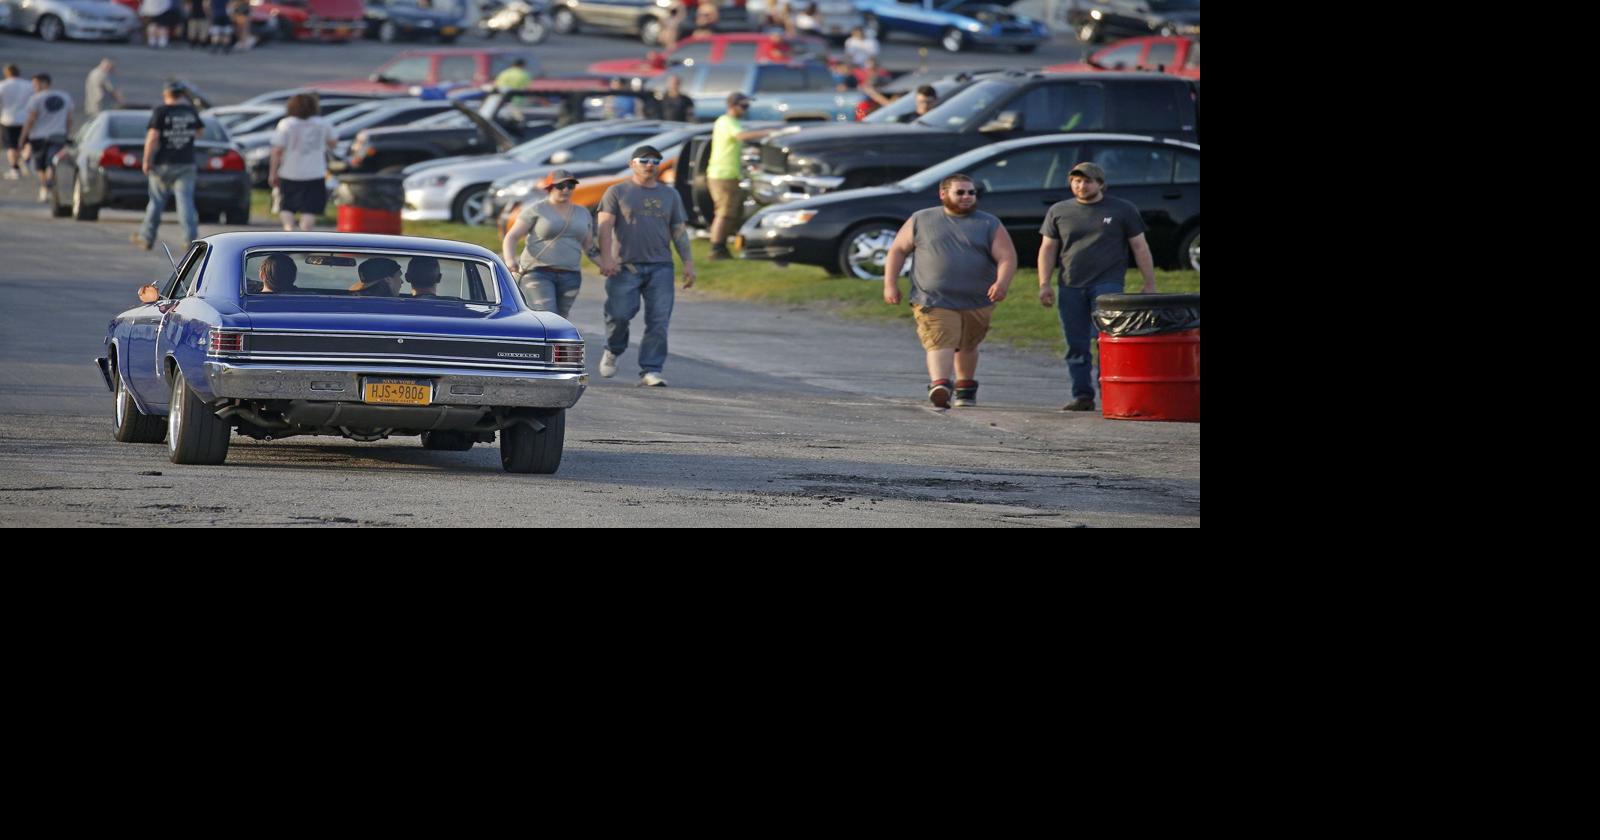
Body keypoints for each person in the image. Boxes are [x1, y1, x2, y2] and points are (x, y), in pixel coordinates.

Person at [882, 173, 1016, 409]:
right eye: (960, 192)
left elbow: (1006, 256)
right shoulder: (921, 219)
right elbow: (897, 251)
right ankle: (940, 385)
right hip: (933, 298)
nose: (966, 197)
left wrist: (1001, 282)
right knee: (940, 340)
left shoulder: (988, 223)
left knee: (968, 344)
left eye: (971, 193)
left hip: (978, 299)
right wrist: (890, 284)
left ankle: (965, 388)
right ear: (943, 194)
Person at [1037, 162, 1157, 412]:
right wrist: (1044, 284)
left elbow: (1139, 246)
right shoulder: (1059, 211)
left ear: (1100, 184)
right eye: (1076, 181)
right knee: (1076, 342)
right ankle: (1082, 395)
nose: (1081, 186)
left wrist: (1149, 283)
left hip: (1108, 282)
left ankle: (1111, 392)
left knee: (1106, 338)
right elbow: (1048, 249)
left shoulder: (1122, 209)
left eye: (1087, 181)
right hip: (1070, 284)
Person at [595, 145, 697, 387]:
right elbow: (605, 227)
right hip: (624, 266)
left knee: (659, 320)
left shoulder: (670, 195)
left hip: (661, 266)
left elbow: (679, 232)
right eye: (644, 160)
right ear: (632, 164)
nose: (650, 165)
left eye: (655, 161)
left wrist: (688, 264)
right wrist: (606, 258)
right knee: (619, 315)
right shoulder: (617, 191)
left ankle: (651, 369)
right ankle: (613, 348)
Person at [502, 168, 597, 319]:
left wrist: (606, 264)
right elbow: (511, 237)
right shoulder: (537, 209)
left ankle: (551, 343)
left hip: (570, 274)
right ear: (550, 187)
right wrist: (510, 261)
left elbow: (589, 245)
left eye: (570, 186)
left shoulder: (583, 213)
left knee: (560, 319)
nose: (566, 189)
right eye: (560, 186)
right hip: (538, 273)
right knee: (547, 316)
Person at [133, 80, 202, 250]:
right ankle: (190, 239)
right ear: (181, 95)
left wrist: (146, 160)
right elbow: (199, 132)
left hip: (164, 163)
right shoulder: (190, 111)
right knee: (185, 202)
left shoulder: (161, 112)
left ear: (166, 95)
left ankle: (146, 238)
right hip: (186, 162)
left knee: (156, 202)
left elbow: (152, 137)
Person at [707, 92, 775, 259]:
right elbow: (741, 136)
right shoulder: (726, 121)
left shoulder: (732, 122)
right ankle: (716, 248)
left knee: (732, 212)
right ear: (733, 105)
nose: (746, 110)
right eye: (743, 106)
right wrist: (768, 132)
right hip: (722, 175)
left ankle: (722, 246)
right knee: (724, 212)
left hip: (730, 174)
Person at [268, 93, 336, 232]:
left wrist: (272, 173)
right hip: (315, 172)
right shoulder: (323, 123)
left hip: (289, 171)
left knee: (286, 205)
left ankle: (289, 229)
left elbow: (277, 151)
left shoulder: (286, 124)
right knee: (309, 208)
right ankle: (306, 232)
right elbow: (333, 142)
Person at [20, 74, 73, 205]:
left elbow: (30, 119)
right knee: (52, 161)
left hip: (38, 136)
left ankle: (44, 188)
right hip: (58, 134)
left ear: (45, 83)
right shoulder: (65, 97)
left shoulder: (36, 99)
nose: (34, 87)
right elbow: (70, 119)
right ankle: (49, 183)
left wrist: (23, 137)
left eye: (36, 84)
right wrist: (68, 134)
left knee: (40, 164)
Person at [1, 65, 32, 181]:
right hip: (25, 118)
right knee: (27, 143)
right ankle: (26, 159)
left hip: (8, 118)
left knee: (12, 146)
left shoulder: (3, 85)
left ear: (7, 73)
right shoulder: (28, 85)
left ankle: (15, 169)